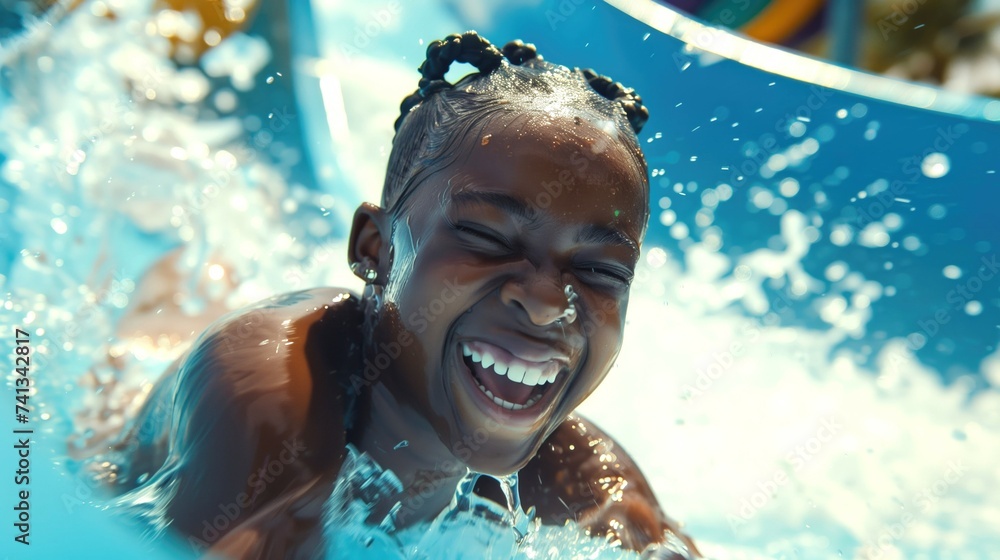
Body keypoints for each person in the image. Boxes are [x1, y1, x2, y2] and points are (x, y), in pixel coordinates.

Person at [103, 32, 700, 559]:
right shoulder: (268, 404)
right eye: (486, 237)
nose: (548, 303)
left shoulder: (574, 474)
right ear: (375, 247)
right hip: (107, 422)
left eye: (599, 271)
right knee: (153, 313)